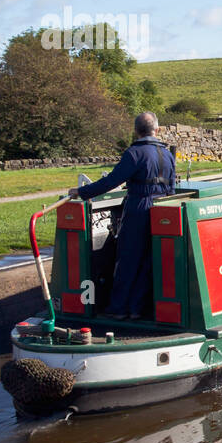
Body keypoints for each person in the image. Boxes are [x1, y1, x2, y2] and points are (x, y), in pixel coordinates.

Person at [69, 112, 176, 319]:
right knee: (148, 260)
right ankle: (136, 308)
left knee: (127, 259)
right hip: (163, 209)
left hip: (139, 207)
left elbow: (111, 182)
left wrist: (81, 192)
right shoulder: (167, 154)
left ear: (136, 131)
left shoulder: (134, 153)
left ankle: (118, 309)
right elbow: (171, 187)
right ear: (157, 129)